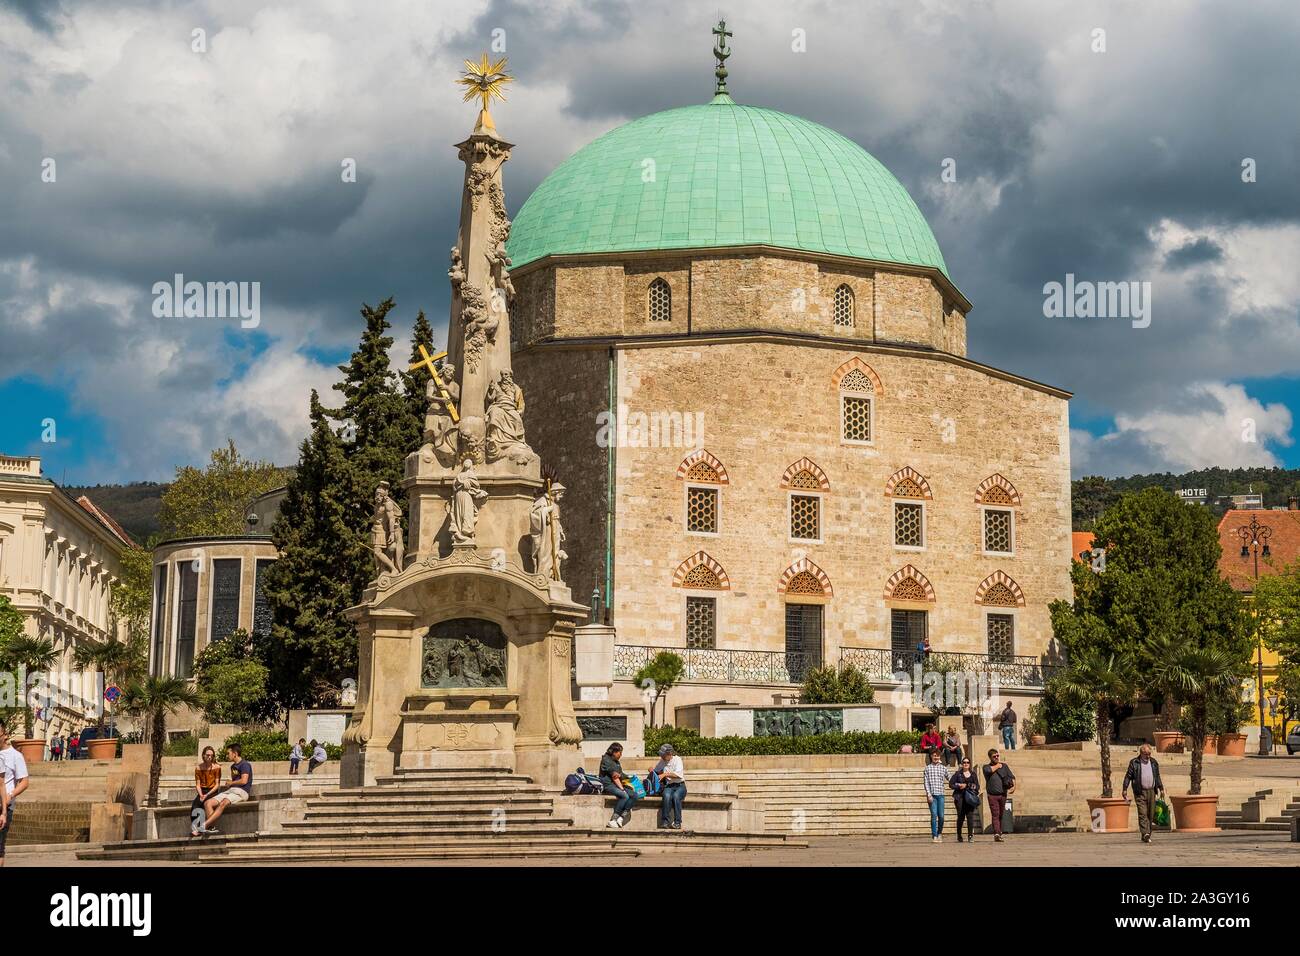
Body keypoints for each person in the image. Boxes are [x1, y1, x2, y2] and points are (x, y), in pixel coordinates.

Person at [201, 743, 253, 834]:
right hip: (231, 791)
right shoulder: (233, 767)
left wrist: (231, 783)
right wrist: (231, 784)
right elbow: (236, 781)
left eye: (228, 753)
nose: (227, 755)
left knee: (223, 802)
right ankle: (211, 828)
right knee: (208, 803)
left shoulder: (245, 764)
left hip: (242, 792)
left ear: (235, 753)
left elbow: (244, 781)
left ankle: (204, 825)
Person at [0, 720, 31, 867]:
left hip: (5, 804)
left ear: (4, 734)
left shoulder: (15, 755)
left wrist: (10, 795)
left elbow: (24, 782)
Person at [1122, 744, 1167, 844]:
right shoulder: (1134, 763)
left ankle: (1147, 834)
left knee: (1150, 814)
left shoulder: (1154, 762)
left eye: (1149, 754)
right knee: (1142, 813)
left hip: (1151, 791)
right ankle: (1145, 832)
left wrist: (1161, 788)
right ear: (1141, 753)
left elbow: (1157, 776)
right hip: (1140, 791)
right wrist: (1124, 789)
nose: (1148, 756)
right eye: (1146, 754)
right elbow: (1128, 776)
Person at [598, 742, 637, 828]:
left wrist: (629, 777)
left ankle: (621, 817)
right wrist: (622, 789)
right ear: (614, 752)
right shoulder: (606, 760)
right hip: (608, 785)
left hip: (617, 784)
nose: (621, 755)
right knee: (624, 796)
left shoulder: (617, 762)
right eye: (620, 752)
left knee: (634, 795)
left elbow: (620, 774)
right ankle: (613, 820)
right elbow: (615, 776)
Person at [982, 748, 1015, 842]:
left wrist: (1014, 787)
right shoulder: (986, 767)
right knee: (995, 814)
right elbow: (989, 771)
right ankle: (997, 833)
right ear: (990, 757)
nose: (996, 757)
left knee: (1001, 814)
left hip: (1003, 794)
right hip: (992, 795)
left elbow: (1012, 777)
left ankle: (998, 832)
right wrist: (998, 766)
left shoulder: (1004, 766)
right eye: (994, 756)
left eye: (997, 756)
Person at [653, 743, 686, 830]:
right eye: (661, 755)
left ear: (670, 754)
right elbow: (656, 770)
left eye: (663, 755)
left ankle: (677, 822)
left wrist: (664, 774)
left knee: (676, 797)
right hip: (669, 786)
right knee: (666, 796)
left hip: (680, 786)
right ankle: (665, 822)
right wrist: (651, 770)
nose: (662, 757)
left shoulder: (677, 760)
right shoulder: (662, 761)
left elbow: (678, 775)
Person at [190, 746, 222, 837]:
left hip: (212, 791)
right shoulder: (198, 768)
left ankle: (210, 826)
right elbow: (198, 784)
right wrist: (201, 794)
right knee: (195, 805)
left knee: (206, 803)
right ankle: (196, 828)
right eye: (207, 755)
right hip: (202, 790)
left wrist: (207, 794)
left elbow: (217, 784)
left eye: (211, 755)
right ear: (203, 755)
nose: (209, 757)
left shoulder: (217, 767)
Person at [949, 756, 981, 842]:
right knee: (961, 816)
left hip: (970, 798)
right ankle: (959, 835)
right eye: (964, 762)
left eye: (967, 762)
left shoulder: (973, 774)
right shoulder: (958, 774)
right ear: (962, 764)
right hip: (959, 798)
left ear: (969, 764)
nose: (966, 764)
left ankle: (970, 836)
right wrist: (959, 786)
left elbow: (977, 786)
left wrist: (967, 785)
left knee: (970, 816)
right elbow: (951, 784)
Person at [923, 749, 950, 843]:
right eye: (934, 755)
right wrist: (928, 794)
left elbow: (950, 778)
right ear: (931, 756)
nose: (936, 757)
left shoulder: (943, 768)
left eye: (937, 756)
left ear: (940, 757)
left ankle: (939, 833)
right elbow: (926, 782)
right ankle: (934, 835)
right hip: (932, 795)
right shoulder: (927, 768)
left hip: (941, 795)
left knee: (941, 816)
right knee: (934, 815)